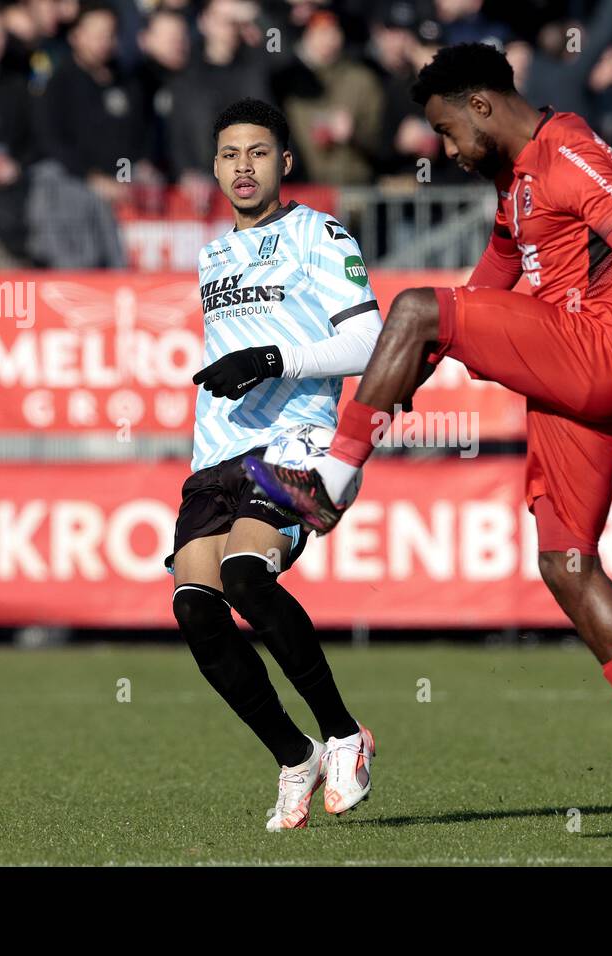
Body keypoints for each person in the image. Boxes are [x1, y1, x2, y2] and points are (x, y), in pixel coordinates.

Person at [246, 43, 612, 834]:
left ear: (481, 106)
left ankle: (329, 487)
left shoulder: (567, 152)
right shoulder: (513, 186)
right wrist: (412, 367)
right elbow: (485, 290)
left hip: (607, 354)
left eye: (446, 131)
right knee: (564, 561)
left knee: (413, 307)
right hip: (579, 385)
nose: (446, 150)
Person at [167, 98, 382, 830]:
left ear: (285, 162)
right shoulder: (213, 254)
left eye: (258, 152)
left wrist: (276, 358)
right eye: (230, 154)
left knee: (244, 577)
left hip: (294, 441)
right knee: (195, 608)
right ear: (216, 166)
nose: (243, 167)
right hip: (215, 455)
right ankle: (296, 756)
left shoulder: (319, 235)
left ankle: (345, 734)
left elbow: (372, 344)